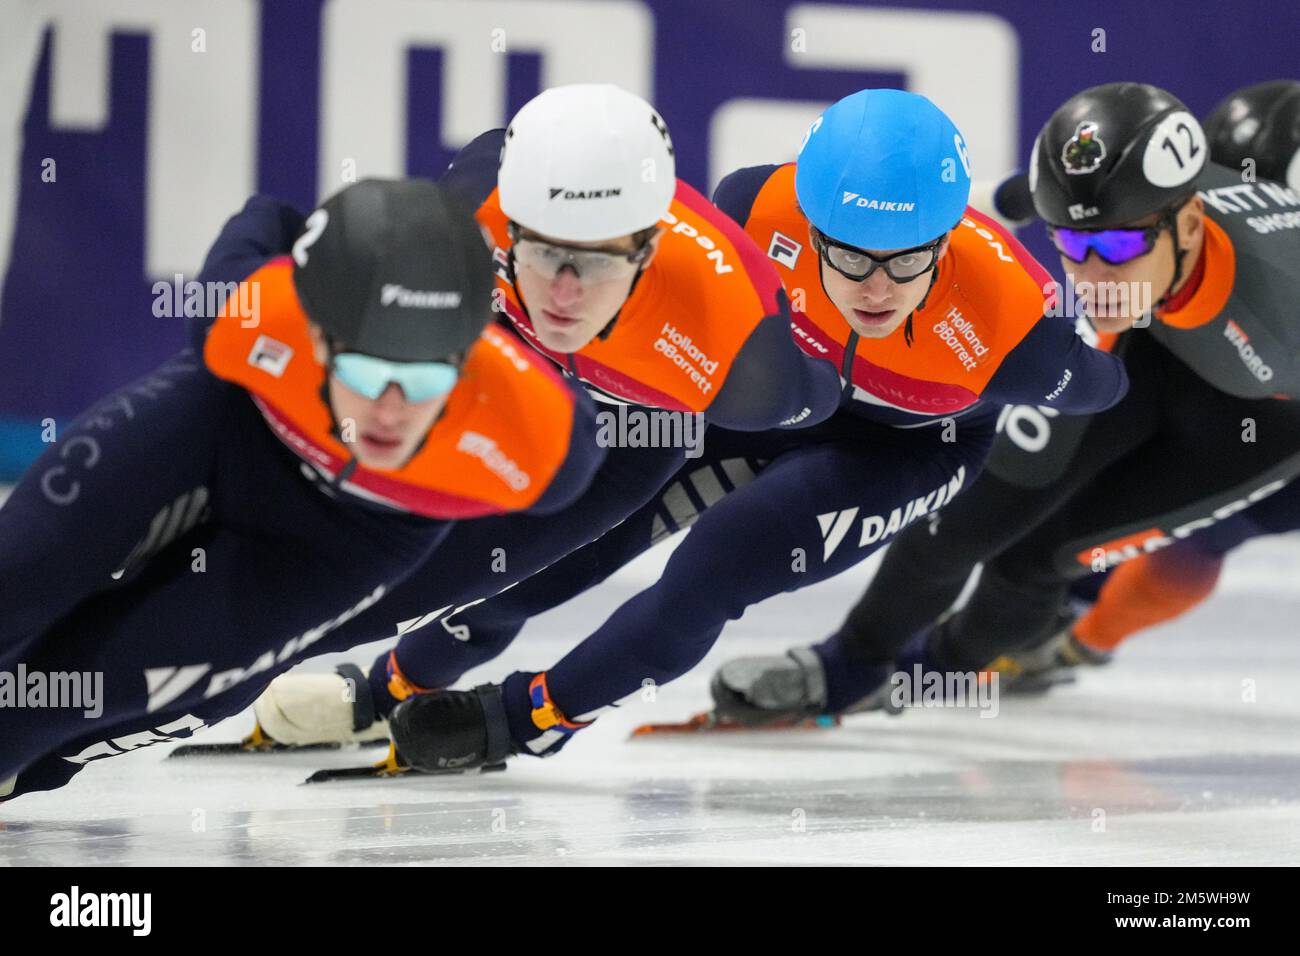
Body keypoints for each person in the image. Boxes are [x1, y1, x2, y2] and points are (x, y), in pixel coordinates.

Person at [382, 89, 1128, 773]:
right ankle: (404, 674)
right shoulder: (750, 202)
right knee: (583, 525)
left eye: (906, 261)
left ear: (947, 239)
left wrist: (1117, 305)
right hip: (761, 404)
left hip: (906, 448)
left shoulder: (1017, 329)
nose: (875, 287)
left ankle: (525, 718)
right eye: (846, 252)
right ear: (807, 220)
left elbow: (1107, 386)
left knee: (719, 565)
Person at [196, 84, 843, 749]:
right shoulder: (474, 199)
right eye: (539, 247)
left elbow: (824, 401)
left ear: (646, 250)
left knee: (495, 573)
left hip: (633, 429)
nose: (563, 290)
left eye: (595, 261)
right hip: (510, 370)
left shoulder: (744, 353)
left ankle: (383, 687)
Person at [0, 178, 605, 801]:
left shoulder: (543, 444)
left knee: (64, 697)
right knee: (18, 571)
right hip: (220, 432)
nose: (391, 413)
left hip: (337, 547)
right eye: (365, 373)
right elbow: (270, 214)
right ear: (316, 336)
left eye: (425, 381)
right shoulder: (246, 307)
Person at [716, 81, 1300, 725]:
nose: (1092, 278)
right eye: (1073, 248)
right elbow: (1009, 200)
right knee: (964, 519)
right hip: (1153, 349)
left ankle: (936, 677)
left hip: (1266, 422)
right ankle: (848, 663)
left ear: (1189, 222)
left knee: (1037, 560)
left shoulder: (1284, 299)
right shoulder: (1107, 193)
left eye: (1116, 250)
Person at [987, 78, 1300, 686]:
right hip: (1217, 354)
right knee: (1113, 483)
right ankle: (1068, 623)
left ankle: (1085, 637)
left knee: (1202, 531)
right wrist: (1021, 196)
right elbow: (1099, 198)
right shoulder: (1184, 213)